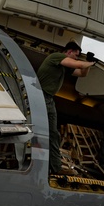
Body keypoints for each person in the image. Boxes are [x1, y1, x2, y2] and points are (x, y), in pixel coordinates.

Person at [37, 41, 95, 175]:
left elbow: (82, 73)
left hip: (49, 99)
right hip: (40, 96)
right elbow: (79, 64)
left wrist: (88, 62)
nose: (76, 58)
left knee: (54, 134)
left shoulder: (64, 65)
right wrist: (90, 63)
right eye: (76, 55)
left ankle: (56, 168)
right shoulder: (56, 57)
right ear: (69, 52)